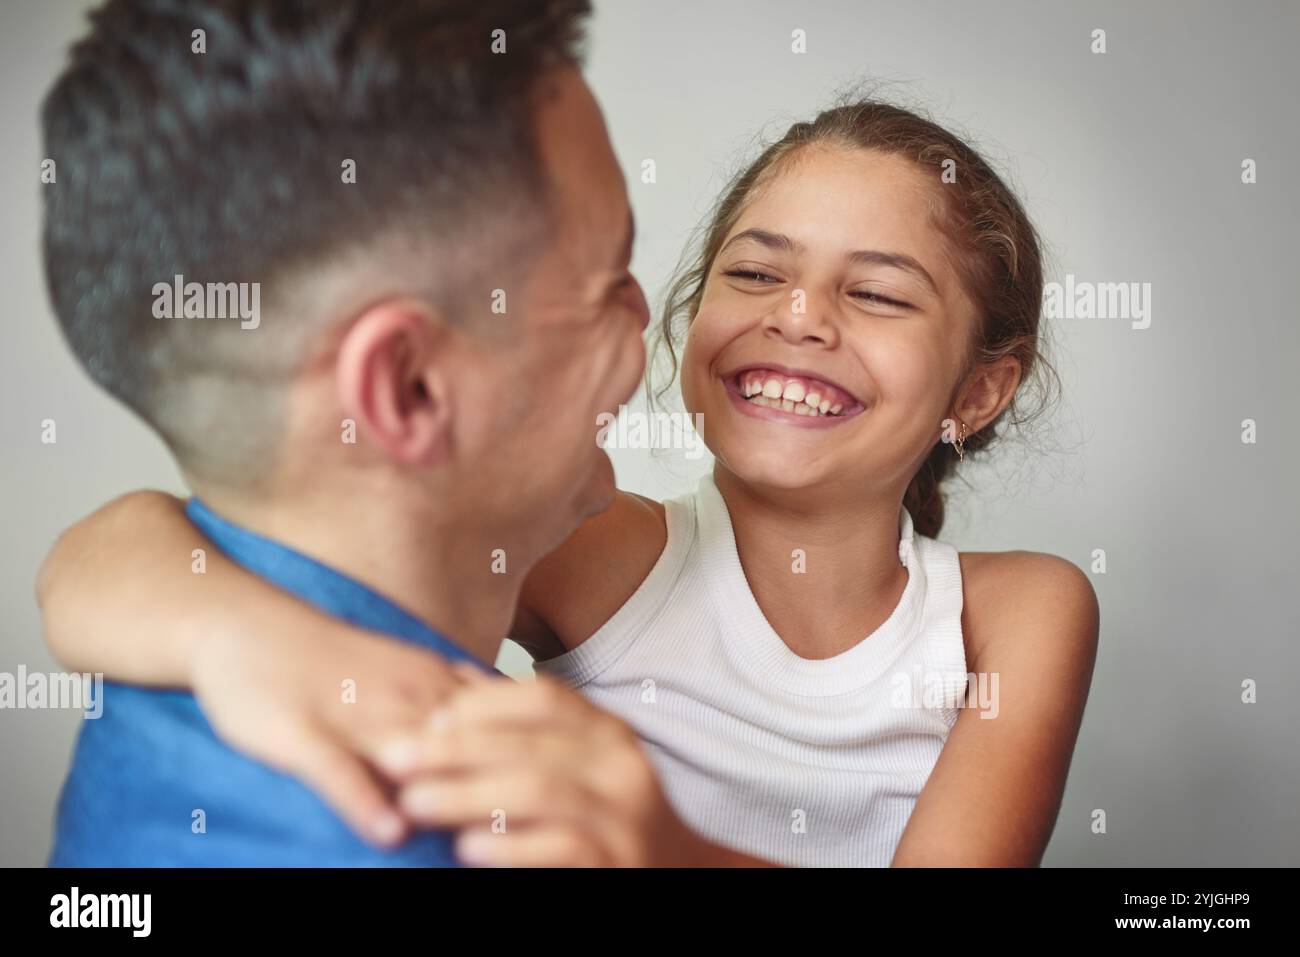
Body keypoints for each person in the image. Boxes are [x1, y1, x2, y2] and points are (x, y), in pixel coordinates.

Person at [40, 18, 1101, 866]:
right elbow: (162, 547)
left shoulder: (1016, 612)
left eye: (873, 292)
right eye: (751, 273)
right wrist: (244, 639)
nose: (799, 315)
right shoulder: (588, 553)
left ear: (978, 390)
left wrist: (659, 847)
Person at [38, 0, 692, 865]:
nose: (646, 317)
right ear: (410, 388)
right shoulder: (443, 837)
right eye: (610, 280)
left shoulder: (170, 640)